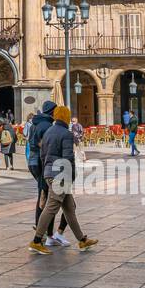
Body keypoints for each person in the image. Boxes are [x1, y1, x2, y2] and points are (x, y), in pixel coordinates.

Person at [27, 106, 98, 255]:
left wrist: (45, 173)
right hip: (60, 175)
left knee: (69, 207)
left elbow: (43, 155)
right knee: (51, 207)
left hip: (49, 173)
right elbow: (68, 158)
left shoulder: (48, 132)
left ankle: (82, 240)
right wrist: (71, 176)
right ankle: (37, 241)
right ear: (66, 117)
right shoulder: (66, 134)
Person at [27, 102, 63, 244]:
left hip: (33, 161)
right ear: (52, 112)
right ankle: (42, 233)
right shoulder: (47, 125)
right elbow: (45, 146)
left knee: (44, 195)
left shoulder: (36, 123)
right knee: (46, 198)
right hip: (42, 162)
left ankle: (44, 232)